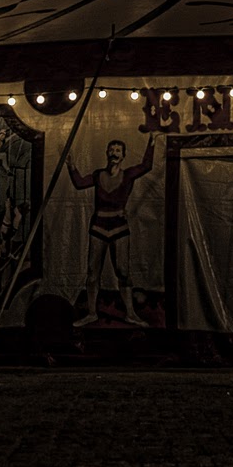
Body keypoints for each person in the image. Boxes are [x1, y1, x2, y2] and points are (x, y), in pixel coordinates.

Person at [67, 134, 157, 327]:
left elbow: (146, 165)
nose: (114, 153)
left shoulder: (128, 175)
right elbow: (79, 183)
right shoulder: (99, 175)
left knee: (123, 271)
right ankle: (92, 313)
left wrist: (152, 142)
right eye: (112, 150)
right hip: (98, 226)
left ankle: (130, 314)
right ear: (107, 153)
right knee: (92, 273)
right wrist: (71, 165)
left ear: (123, 156)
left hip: (119, 227)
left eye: (118, 151)